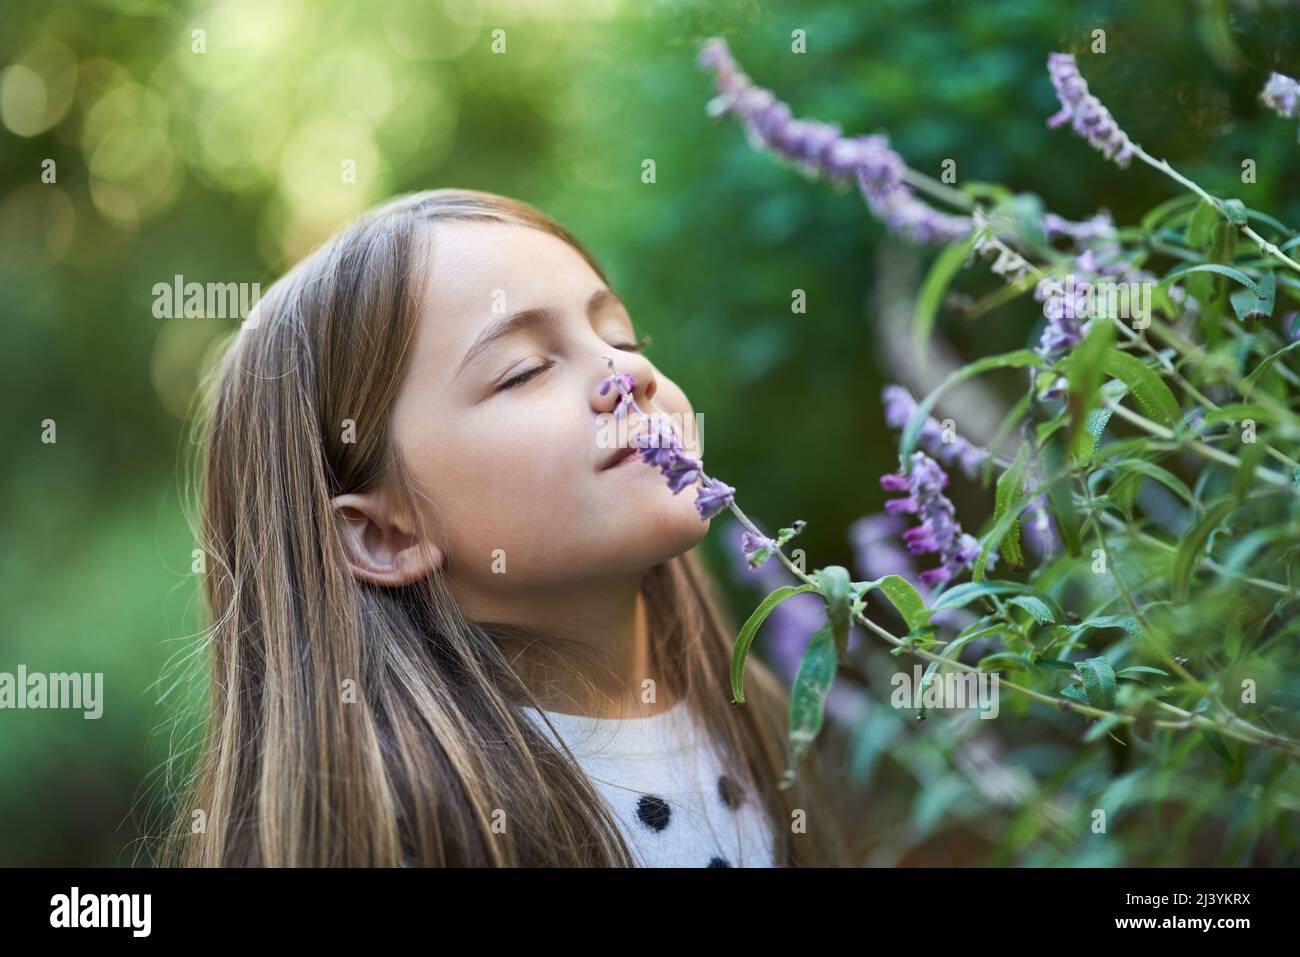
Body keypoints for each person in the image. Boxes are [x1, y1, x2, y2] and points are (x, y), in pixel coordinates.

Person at [160, 188, 847, 867]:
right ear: (385, 534)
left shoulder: (759, 722)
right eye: (523, 371)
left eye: (621, 336)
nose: (630, 371)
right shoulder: (419, 839)